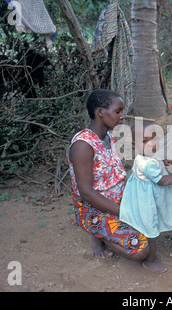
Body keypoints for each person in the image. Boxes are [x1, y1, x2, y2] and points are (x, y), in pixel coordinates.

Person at [66, 89, 150, 264]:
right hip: (95, 209)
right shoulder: (83, 146)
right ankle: (99, 235)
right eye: (117, 111)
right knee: (141, 249)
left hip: (119, 202)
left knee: (155, 213)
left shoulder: (108, 138)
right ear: (100, 113)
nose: (122, 116)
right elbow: (87, 192)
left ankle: (106, 231)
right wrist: (124, 212)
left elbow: (114, 174)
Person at [120, 121, 172, 273]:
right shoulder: (145, 164)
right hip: (147, 200)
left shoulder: (148, 156)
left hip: (146, 195)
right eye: (145, 141)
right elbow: (162, 180)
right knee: (151, 230)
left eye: (154, 139)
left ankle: (144, 246)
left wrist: (163, 161)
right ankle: (150, 260)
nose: (151, 144)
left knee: (149, 225)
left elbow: (156, 162)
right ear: (134, 144)